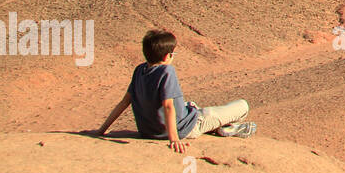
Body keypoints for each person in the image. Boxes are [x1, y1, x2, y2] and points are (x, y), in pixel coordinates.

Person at [94, 29, 256, 151]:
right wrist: (174, 139)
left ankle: (217, 125)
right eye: (173, 54)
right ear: (167, 57)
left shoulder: (139, 70)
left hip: (148, 132)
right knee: (243, 106)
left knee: (190, 105)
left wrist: (102, 130)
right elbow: (168, 106)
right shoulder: (166, 71)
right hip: (186, 128)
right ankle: (224, 128)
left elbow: (124, 102)